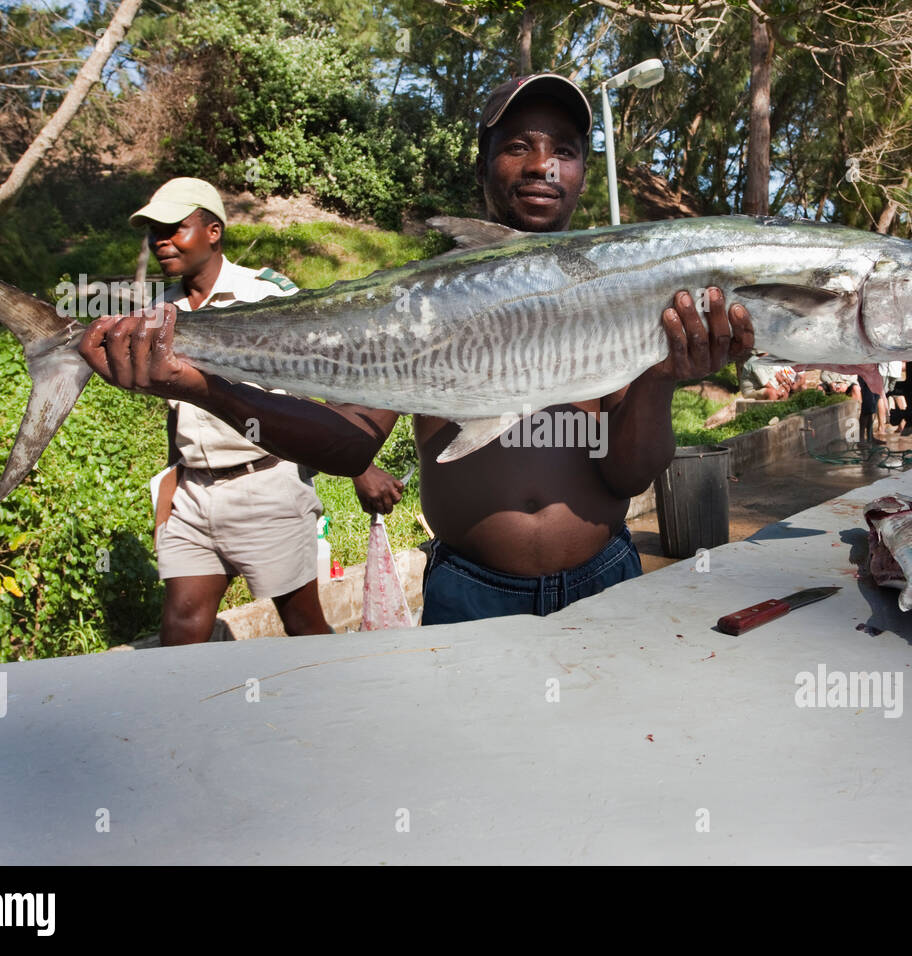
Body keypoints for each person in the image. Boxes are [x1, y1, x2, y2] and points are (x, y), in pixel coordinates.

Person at [78, 74, 754, 627]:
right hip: (470, 596)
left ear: (581, 170)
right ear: (485, 162)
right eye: (518, 145)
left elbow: (628, 476)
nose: (543, 163)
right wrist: (200, 385)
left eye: (566, 149)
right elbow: (350, 445)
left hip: (607, 577)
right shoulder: (421, 302)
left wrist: (663, 376)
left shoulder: (625, 288)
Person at [130, 177, 332, 644]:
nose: (161, 240)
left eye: (174, 228)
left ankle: (339, 704)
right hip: (194, 493)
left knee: (303, 626)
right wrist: (170, 483)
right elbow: (176, 412)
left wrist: (359, 466)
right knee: (180, 630)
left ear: (213, 231)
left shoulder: (267, 295)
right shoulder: (160, 310)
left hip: (264, 486)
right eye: (153, 231)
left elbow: (323, 377)